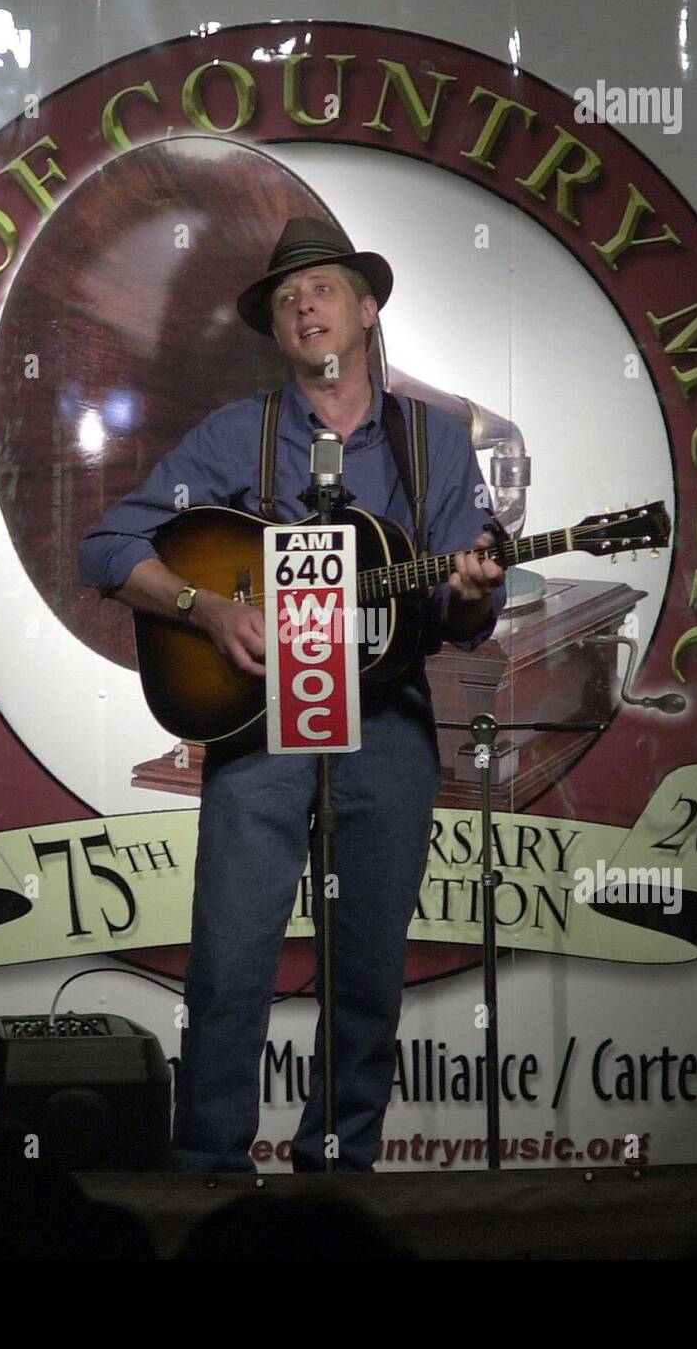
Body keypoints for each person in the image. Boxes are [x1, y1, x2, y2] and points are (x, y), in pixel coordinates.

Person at [79, 217, 505, 1172]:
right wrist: (204, 608)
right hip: (261, 743)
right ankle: (208, 1180)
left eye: (322, 288)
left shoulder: (434, 444)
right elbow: (107, 548)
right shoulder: (238, 434)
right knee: (229, 970)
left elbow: (466, 612)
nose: (305, 305)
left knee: (367, 981)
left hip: (386, 734)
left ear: (366, 308)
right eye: (285, 297)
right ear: (277, 332)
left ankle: (339, 1179)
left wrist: (471, 593)